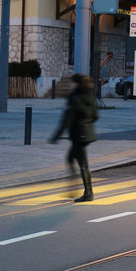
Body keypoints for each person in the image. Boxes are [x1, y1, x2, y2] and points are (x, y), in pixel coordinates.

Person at [50, 73, 98, 202]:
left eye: (72, 82)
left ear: (76, 83)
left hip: (79, 134)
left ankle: (88, 192)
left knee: (83, 164)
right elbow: (95, 116)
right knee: (71, 158)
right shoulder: (90, 95)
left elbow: (67, 119)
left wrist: (56, 136)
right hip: (87, 133)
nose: (70, 85)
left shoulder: (74, 97)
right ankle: (73, 187)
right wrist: (86, 123)